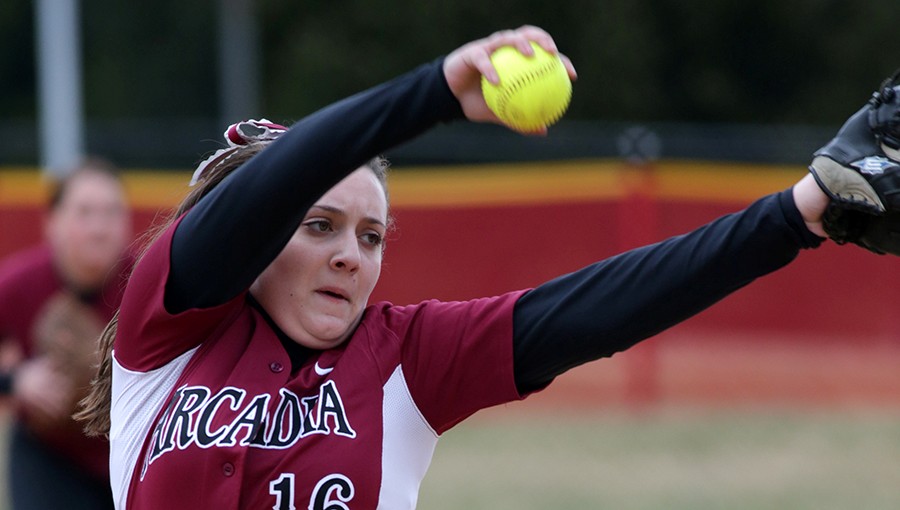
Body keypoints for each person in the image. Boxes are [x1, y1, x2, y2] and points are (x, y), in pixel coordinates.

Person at [76, 26, 866, 510]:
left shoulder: (404, 361)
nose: (351, 254)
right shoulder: (167, 332)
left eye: (373, 236)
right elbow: (265, 191)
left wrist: (797, 214)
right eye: (318, 226)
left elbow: (601, 306)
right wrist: (436, 92)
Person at [0, 158, 132, 510]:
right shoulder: (19, 284)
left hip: (129, 450)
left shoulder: (148, 283)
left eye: (111, 212)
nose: (99, 228)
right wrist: (17, 381)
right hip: (51, 455)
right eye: (84, 212)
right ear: (52, 223)